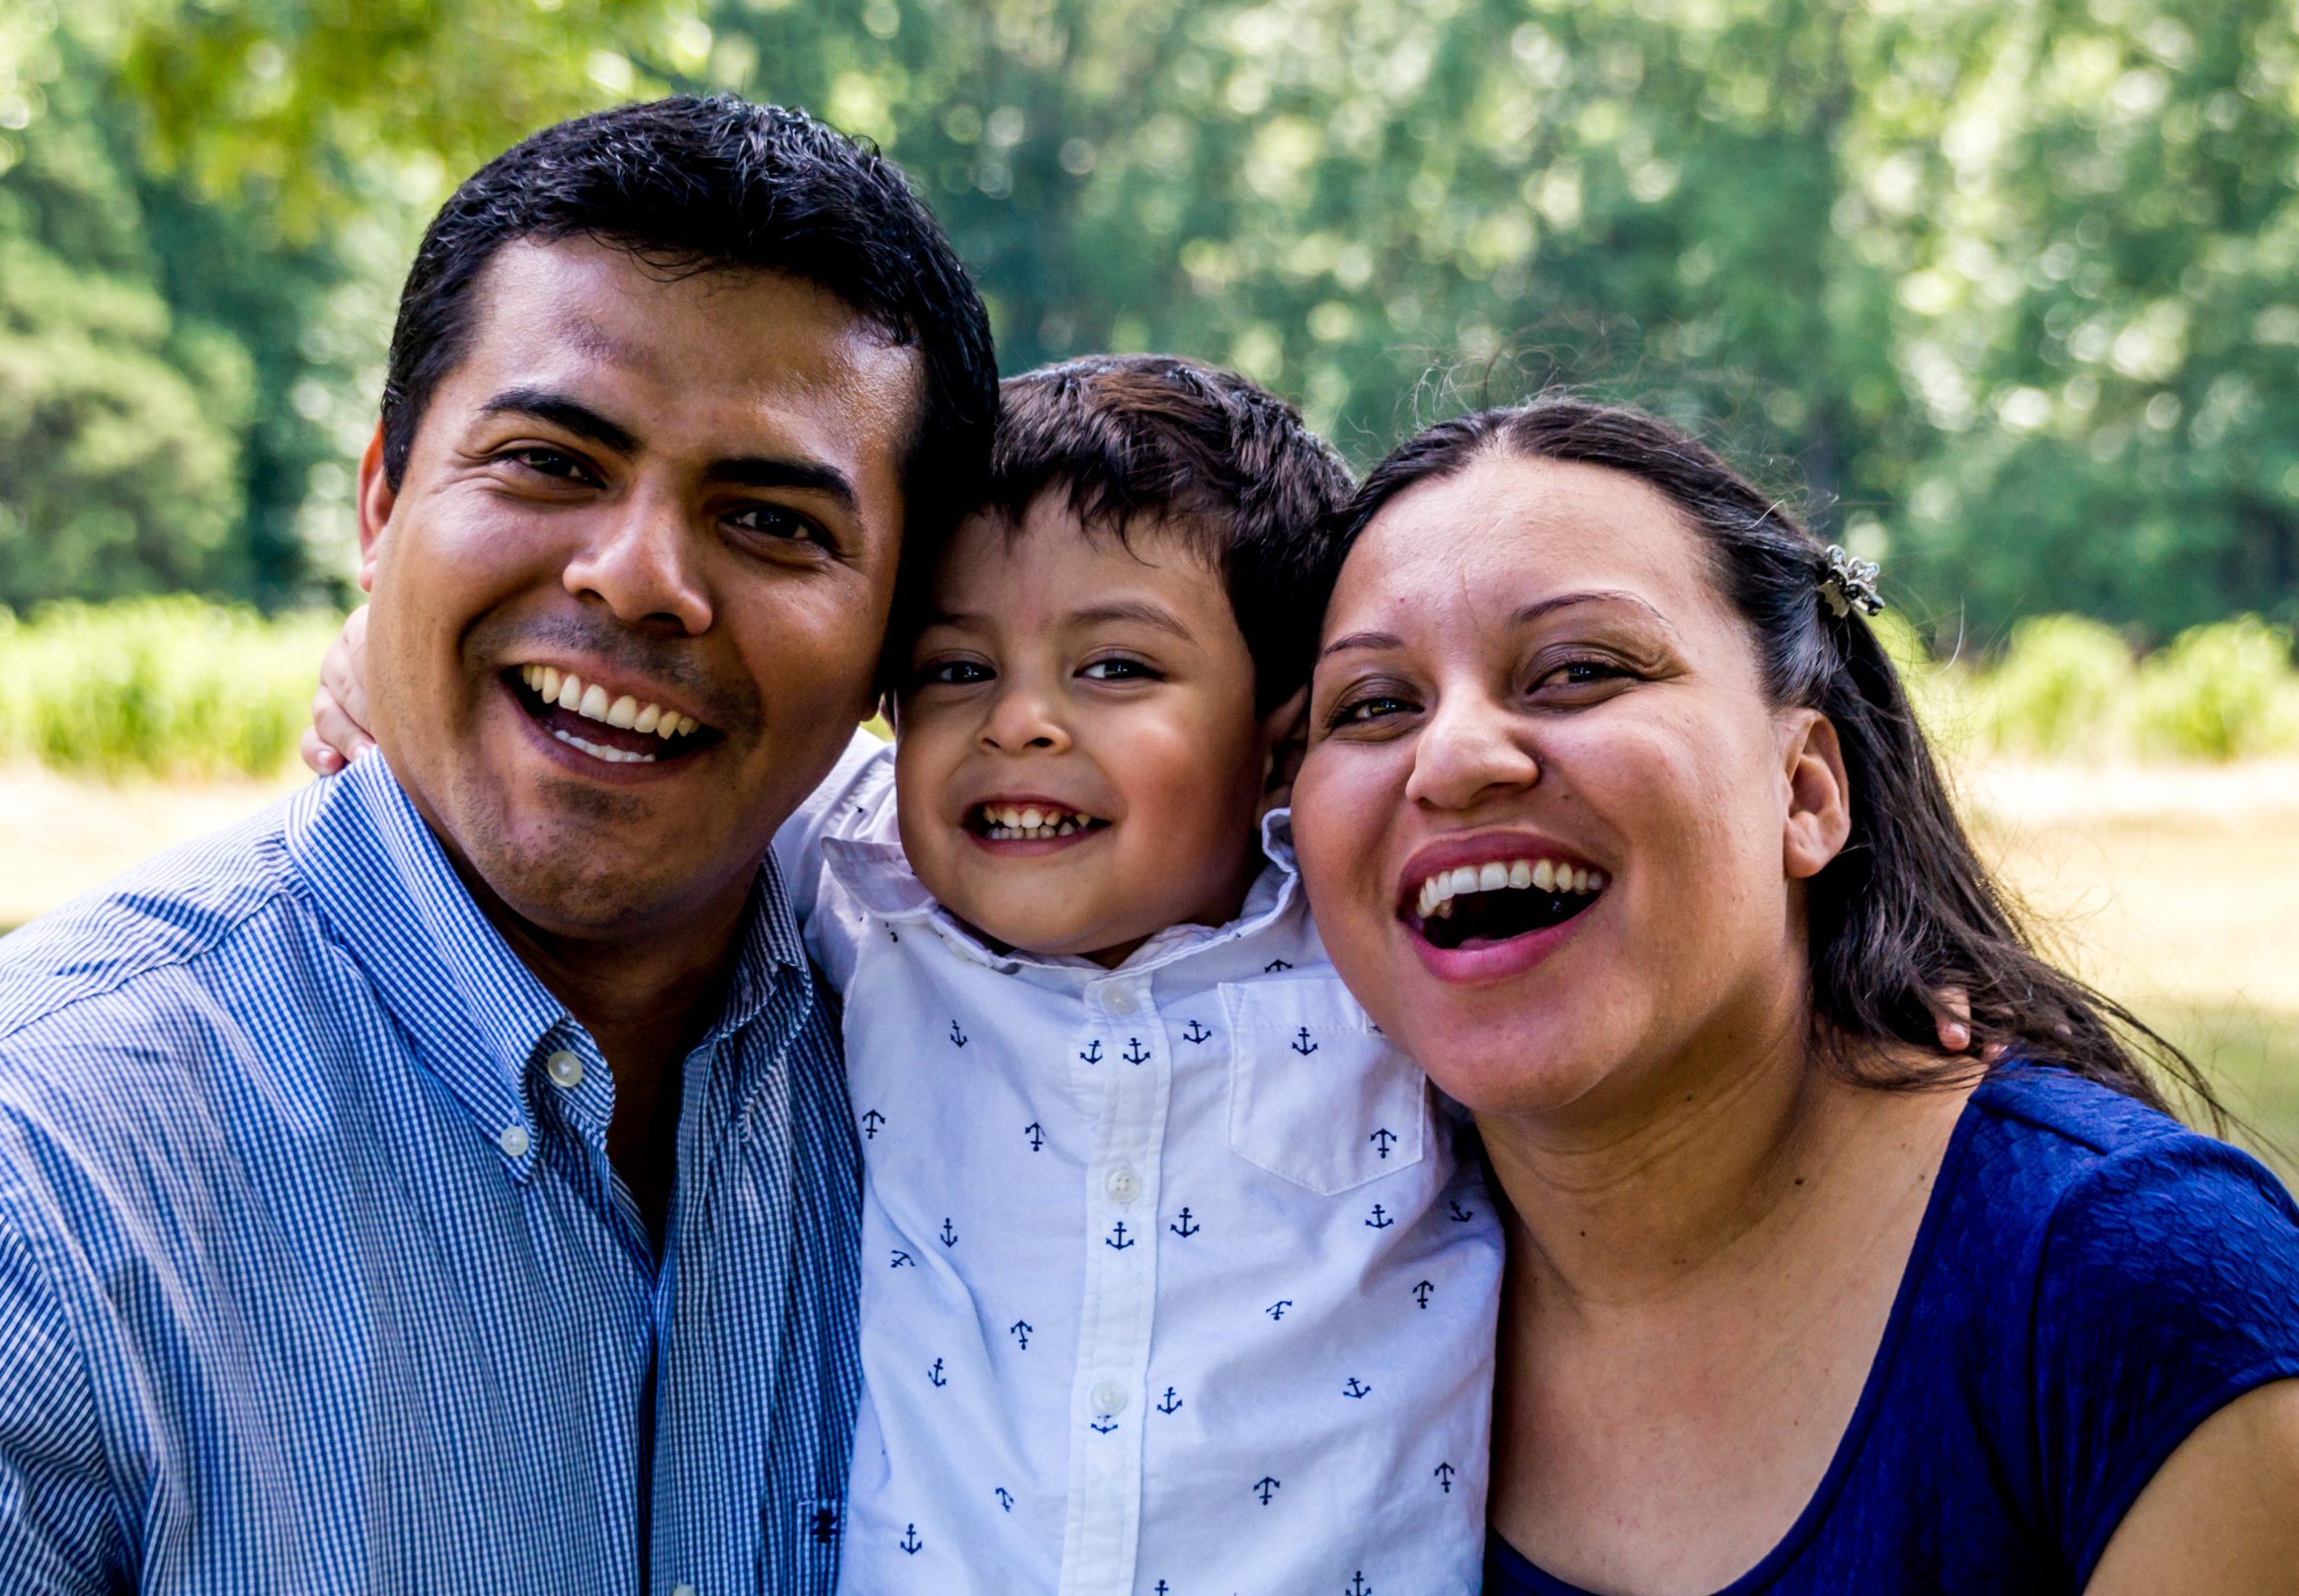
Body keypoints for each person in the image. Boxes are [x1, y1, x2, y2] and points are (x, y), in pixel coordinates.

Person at [0, 96, 996, 1595]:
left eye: (770, 522)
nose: (637, 579)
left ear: (900, 641)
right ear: (381, 501)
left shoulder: (1009, 1091)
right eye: (549, 461)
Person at [310, 355, 1506, 1595]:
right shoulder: (862, 885)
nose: (1019, 722)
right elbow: (662, 744)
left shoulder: (1373, 944)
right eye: (954, 669)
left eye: (1114, 668)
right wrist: (374, 654)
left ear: (1280, 745)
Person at [1287, 397, 2299, 1594]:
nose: (1452, 756)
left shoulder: (2132, 1284)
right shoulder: (1295, 1278)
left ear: (1808, 790)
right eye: (1371, 705)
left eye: (1576, 671)